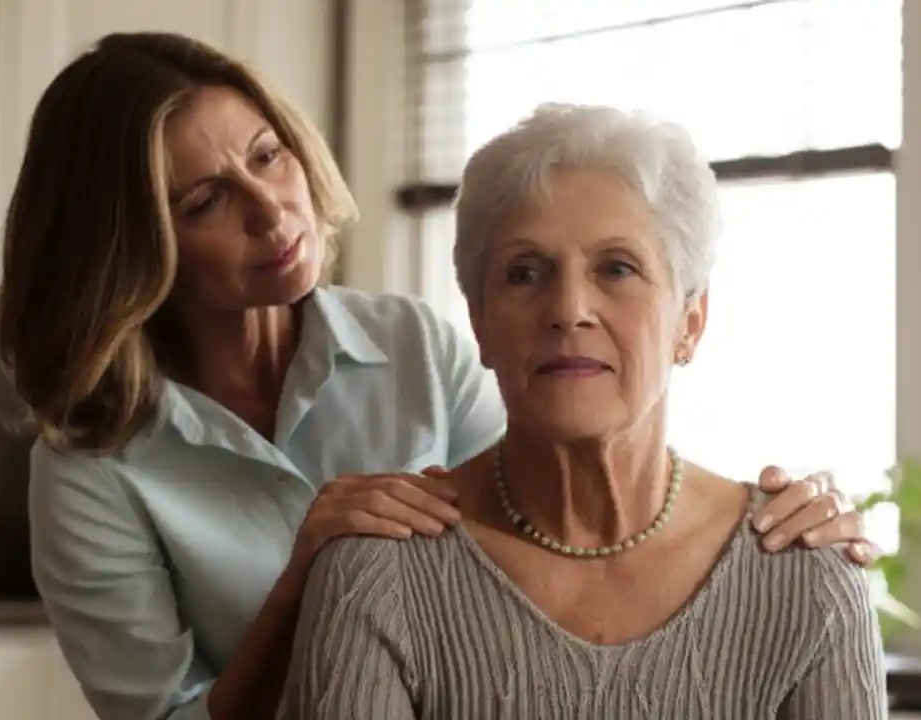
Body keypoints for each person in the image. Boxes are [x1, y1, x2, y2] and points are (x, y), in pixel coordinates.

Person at [0, 34, 876, 720]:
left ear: (695, 313)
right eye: (205, 202)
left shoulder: (410, 341)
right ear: (134, 246)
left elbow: (568, 493)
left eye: (267, 156)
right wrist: (311, 571)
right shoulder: (90, 468)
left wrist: (776, 521)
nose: (271, 211)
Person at [278, 104, 887, 719]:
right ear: (481, 325)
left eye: (616, 268)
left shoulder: (807, 577)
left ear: (690, 322)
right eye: (525, 273)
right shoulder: (376, 575)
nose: (569, 309)